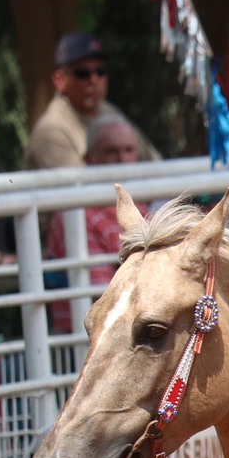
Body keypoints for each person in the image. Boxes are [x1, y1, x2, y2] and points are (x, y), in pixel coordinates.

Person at [45, 115, 146, 331]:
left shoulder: (142, 208)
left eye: (129, 150)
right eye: (111, 151)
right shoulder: (77, 213)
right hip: (92, 338)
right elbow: (104, 296)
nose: (122, 159)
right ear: (88, 159)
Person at [26, 31, 158, 170]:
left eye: (101, 71)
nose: (94, 80)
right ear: (60, 80)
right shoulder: (51, 131)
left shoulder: (108, 110)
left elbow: (154, 161)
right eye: (82, 73)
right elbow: (80, 187)